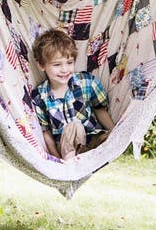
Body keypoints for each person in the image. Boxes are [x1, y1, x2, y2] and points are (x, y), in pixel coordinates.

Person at [31, 30, 115, 160]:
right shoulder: (39, 96)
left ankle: (84, 155)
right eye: (57, 64)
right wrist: (57, 158)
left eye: (69, 62)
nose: (65, 69)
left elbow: (100, 110)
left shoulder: (86, 82)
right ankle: (70, 162)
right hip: (65, 146)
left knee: (109, 137)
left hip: (91, 140)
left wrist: (115, 132)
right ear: (42, 65)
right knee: (74, 126)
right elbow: (46, 133)